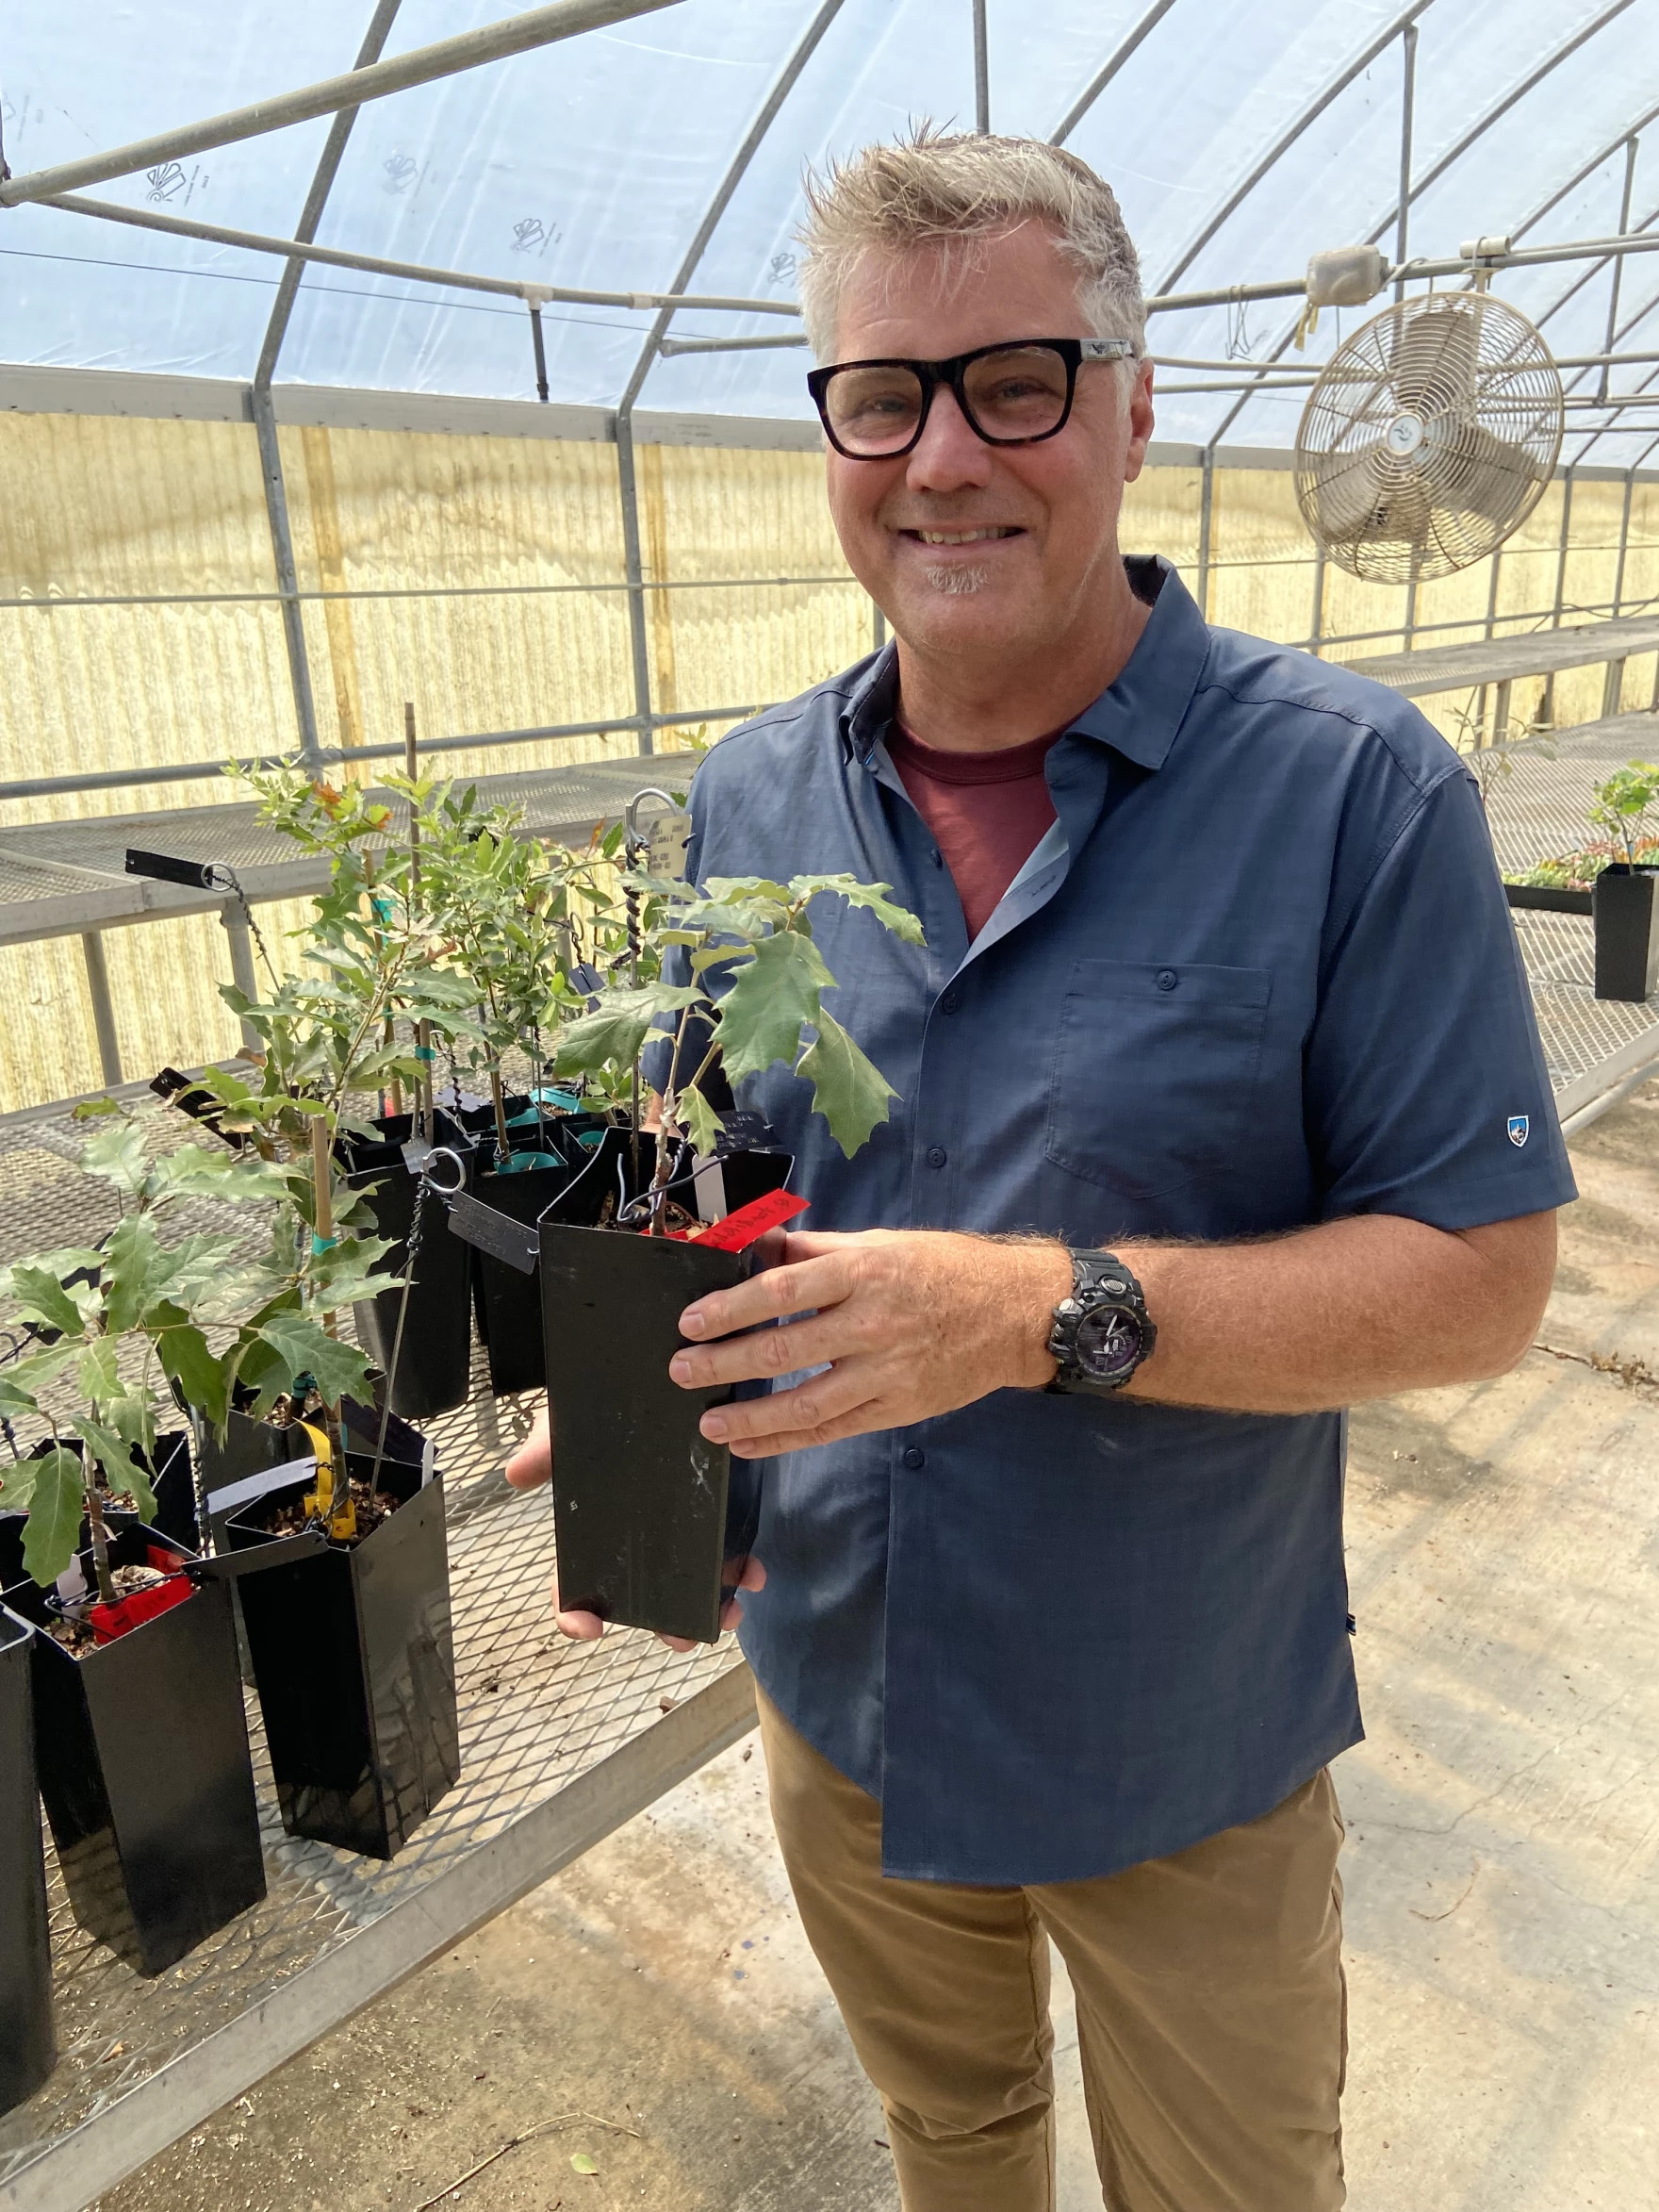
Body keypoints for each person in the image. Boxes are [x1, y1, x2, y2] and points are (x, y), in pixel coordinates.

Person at [507, 129, 1573, 2212]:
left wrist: (1037, 1310)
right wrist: (644, 1400)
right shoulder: (751, 797)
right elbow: (706, 1165)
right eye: (880, 396)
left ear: (1134, 406)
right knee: (953, 2135)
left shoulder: (1351, 796)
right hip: (837, 1691)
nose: (941, 460)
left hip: (1173, 1732)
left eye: (1015, 384)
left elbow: (1480, 1277)